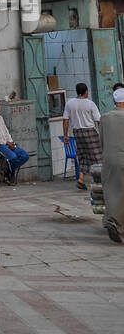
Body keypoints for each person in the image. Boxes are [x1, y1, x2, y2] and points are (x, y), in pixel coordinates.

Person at [62, 82, 102, 189]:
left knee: (83, 156)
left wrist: (65, 135)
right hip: (89, 131)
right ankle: (101, 181)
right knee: (97, 156)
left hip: (77, 132)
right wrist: (102, 133)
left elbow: (66, 120)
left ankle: (81, 179)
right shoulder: (90, 104)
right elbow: (98, 120)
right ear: (86, 91)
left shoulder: (70, 104)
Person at [99, 87, 124, 244]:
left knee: (113, 190)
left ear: (115, 101)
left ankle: (113, 220)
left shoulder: (105, 117)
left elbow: (102, 139)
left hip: (110, 159)